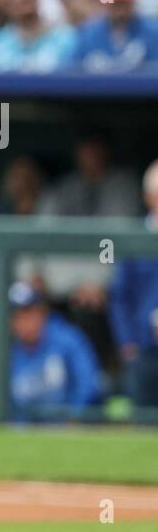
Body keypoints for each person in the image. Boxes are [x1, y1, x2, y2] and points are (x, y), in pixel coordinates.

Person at [8, 281, 101, 420]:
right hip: (18, 431)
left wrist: (74, 418)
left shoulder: (68, 339)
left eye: (29, 313)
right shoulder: (4, 346)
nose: (24, 321)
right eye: (17, 316)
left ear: (42, 313)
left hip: (63, 429)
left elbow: (88, 384)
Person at [109, 160, 158, 407]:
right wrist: (127, 341)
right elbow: (119, 295)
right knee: (143, 422)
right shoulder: (133, 239)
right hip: (144, 348)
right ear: (149, 197)